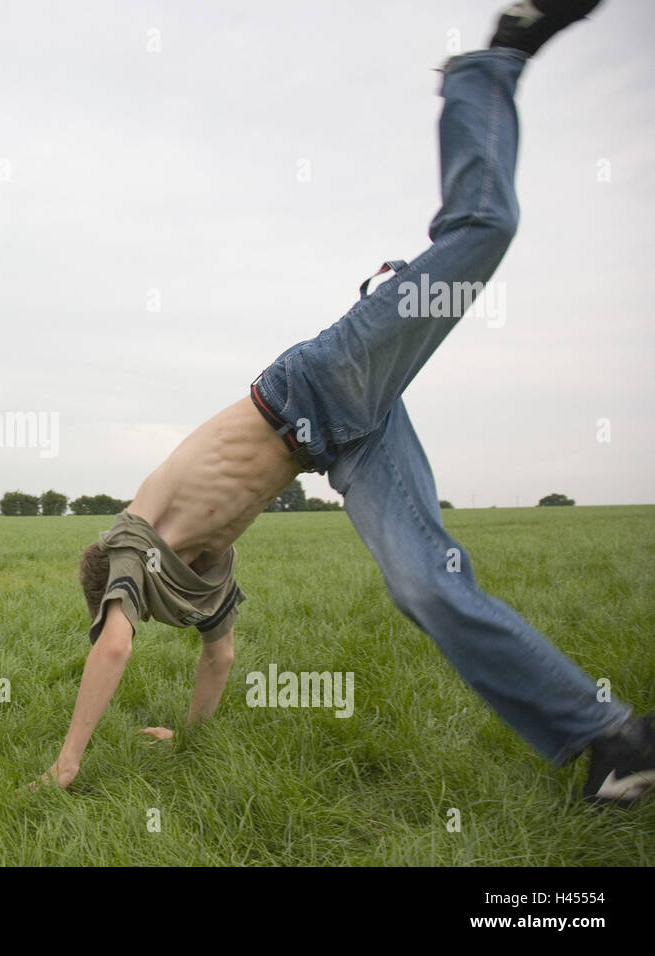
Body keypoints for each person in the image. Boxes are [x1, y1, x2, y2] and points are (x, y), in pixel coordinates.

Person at [38, 0, 654, 807]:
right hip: (347, 440)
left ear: (121, 584)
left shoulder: (131, 545)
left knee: (481, 230)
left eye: (132, 607)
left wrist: (66, 764)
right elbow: (218, 656)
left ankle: (492, 63)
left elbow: (113, 650)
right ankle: (611, 736)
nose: (146, 612)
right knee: (425, 586)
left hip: (316, 386)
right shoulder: (200, 558)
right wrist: (185, 739)